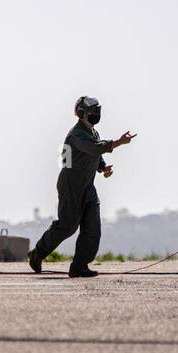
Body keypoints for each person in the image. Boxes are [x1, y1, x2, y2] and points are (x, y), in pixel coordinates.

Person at [29, 96, 135, 278]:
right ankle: (37, 254)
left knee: (93, 227)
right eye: (92, 112)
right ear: (81, 114)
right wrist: (118, 142)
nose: (95, 115)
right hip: (71, 185)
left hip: (87, 185)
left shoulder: (93, 133)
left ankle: (79, 266)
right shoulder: (76, 134)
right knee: (67, 226)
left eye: (97, 112)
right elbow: (94, 148)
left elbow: (95, 155)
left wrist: (102, 168)